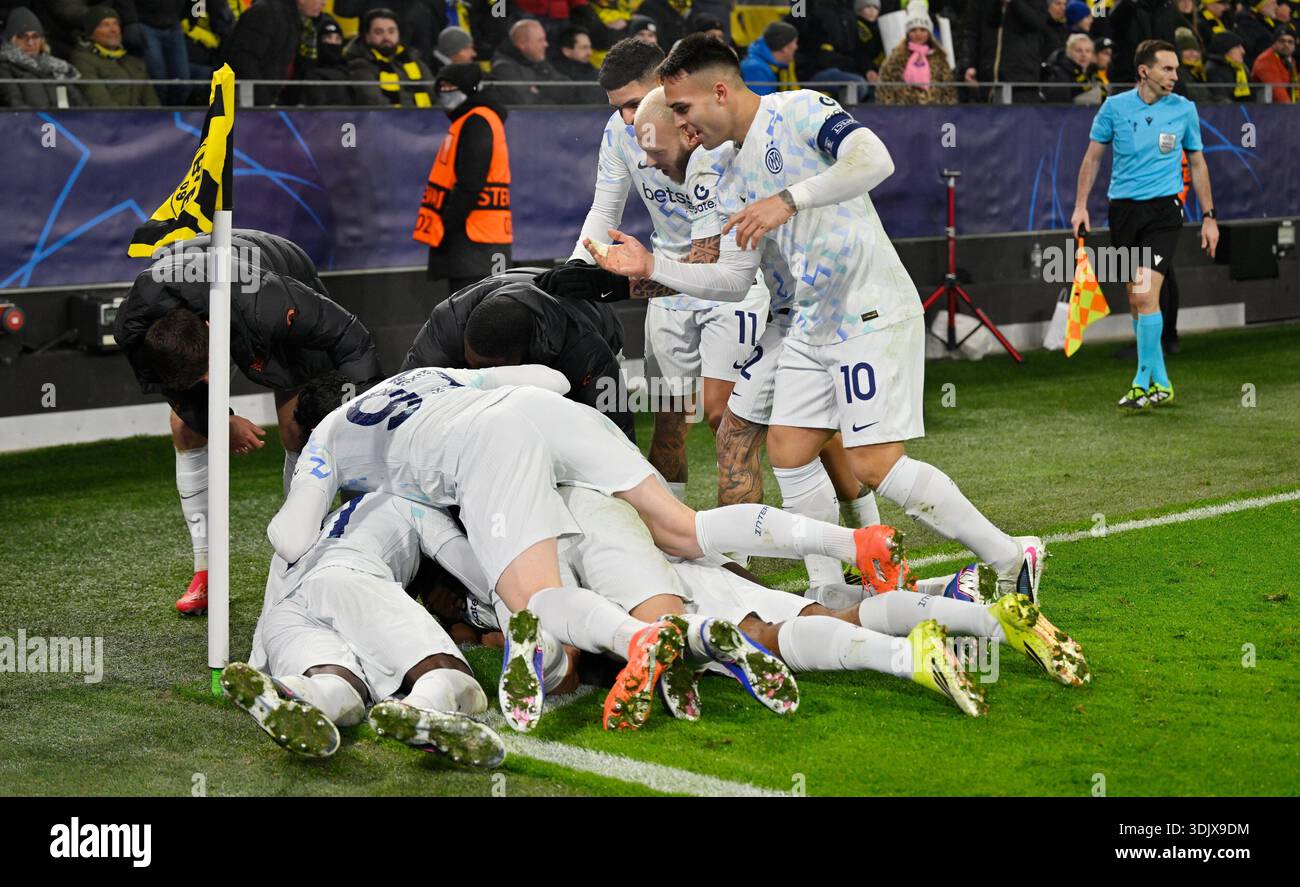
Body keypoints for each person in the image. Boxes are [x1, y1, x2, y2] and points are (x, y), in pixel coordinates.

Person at [587, 35, 1046, 603]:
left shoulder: (799, 109)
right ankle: (830, 590)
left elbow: (875, 159)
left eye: (682, 109)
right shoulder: (722, 173)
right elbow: (731, 280)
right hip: (804, 324)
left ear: (720, 92)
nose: (680, 127)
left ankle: (1010, 553)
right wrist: (651, 265)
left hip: (866, 309)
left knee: (874, 463)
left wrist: (789, 199)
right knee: (788, 449)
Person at [272, 364, 897, 729]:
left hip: (494, 445)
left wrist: (325, 479)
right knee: (685, 528)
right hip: (547, 412)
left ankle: (640, 641)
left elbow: (292, 535)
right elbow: (553, 377)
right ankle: (854, 541)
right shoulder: (420, 377)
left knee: (535, 601)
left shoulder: (327, 437)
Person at [113, 229, 383, 615]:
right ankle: (205, 571)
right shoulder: (136, 328)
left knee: (297, 428)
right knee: (184, 426)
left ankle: (303, 557)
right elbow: (170, 385)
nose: (211, 384)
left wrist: (365, 408)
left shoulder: (270, 305)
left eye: (209, 373)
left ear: (211, 331)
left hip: (281, 268)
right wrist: (218, 420)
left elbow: (351, 336)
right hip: (209, 280)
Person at [566, 38, 768, 503]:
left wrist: (614, 287)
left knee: (726, 419)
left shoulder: (712, 136)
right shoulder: (619, 132)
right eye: (618, 108)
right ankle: (674, 546)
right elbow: (605, 208)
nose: (629, 120)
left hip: (734, 282)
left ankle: (739, 554)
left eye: (636, 104)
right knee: (668, 419)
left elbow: (711, 257)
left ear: (665, 85)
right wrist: (578, 268)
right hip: (665, 288)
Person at [224, 492, 508, 765]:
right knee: (455, 679)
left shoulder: (313, 523)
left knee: (342, 691)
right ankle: (419, 708)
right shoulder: (416, 505)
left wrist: (258, 667)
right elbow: (480, 577)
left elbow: (268, 613)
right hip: (351, 581)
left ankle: (301, 691)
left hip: (286, 613)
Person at [1071, 39, 1219, 411]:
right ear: (1144, 71)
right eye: (1167, 68)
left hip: (1165, 211)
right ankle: (1162, 381)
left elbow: (1198, 164)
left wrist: (1209, 216)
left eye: (1176, 69)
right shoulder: (1114, 108)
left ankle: (1140, 380)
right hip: (1122, 211)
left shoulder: (1184, 109)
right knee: (1137, 303)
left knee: (1143, 294)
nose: (1175, 75)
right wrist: (1079, 207)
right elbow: (1091, 159)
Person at [400, 268, 636, 441]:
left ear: (518, 360)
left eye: (487, 368)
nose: (478, 374)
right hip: (519, 294)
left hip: (597, 321)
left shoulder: (583, 348)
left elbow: (618, 434)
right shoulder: (447, 324)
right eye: (473, 366)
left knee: (579, 440)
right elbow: (405, 400)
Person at [413, 63, 513, 297]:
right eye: (442, 87)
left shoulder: (476, 121)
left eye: (452, 86)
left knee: (468, 318)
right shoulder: (474, 118)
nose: (446, 92)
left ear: (471, 87)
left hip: (473, 239)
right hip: (481, 239)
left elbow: (470, 183)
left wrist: (447, 226)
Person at [223, 0, 327, 106]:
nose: (324, 3)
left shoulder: (298, 20)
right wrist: (264, 102)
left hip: (267, 101)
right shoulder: (266, 13)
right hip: (244, 103)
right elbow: (243, 61)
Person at [344, 6, 436, 107]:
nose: (386, 37)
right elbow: (375, 102)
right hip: (388, 121)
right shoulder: (360, 65)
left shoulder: (413, 58)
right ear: (367, 37)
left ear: (398, 34)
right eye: (379, 32)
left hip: (426, 119)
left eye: (391, 31)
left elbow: (435, 94)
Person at [69, 5, 159, 106]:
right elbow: (101, 103)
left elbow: (153, 104)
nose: (113, 30)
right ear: (91, 33)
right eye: (105, 25)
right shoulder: (82, 60)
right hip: (109, 120)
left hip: (144, 121)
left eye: (115, 24)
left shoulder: (134, 62)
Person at [0, 6, 85, 108]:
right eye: (23, 37)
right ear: (12, 41)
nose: (30, 43)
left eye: (35, 37)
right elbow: (15, 104)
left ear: (42, 40)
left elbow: (81, 105)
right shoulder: (4, 68)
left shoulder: (56, 67)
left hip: (65, 123)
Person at [786, 0, 868, 102]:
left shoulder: (848, 10)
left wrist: (868, 69)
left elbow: (859, 48)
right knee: (856, 85)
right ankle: (838, 116)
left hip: (845, 68)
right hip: (814, 70)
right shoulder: (808, 7)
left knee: (876, 86)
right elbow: (793, 29)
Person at [876, 2, 957, 105]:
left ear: (929, 33)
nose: (918, 34)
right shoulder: (895, 58)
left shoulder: (939, 58)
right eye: (913, 30)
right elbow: (885, 88)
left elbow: (948, 90)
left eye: (923, 30)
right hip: (902, 116)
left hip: (934, 115)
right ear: (908, 33)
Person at [490, 17, 572, 104]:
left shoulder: (538, 60)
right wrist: (549, 92)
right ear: (522, 44)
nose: (546, 44)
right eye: (540, 40)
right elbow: (526, 102)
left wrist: (539, 89)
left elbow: (568, 90)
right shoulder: (504, 67)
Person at [1041, 31, 1106, 103]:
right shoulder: (1060, 74)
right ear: (1068, 52)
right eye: (1079, 50)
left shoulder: (1092, 74)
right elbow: (1058, 109)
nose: (1084, 55)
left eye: (1087, 51)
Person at [739, 19, 798, 95]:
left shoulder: (777, 65)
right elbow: (760, 104)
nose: (796, 47)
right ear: (784, 47)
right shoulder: (755, 68)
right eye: (794, 42)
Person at [551, 24, 605, 102]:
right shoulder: (556, 75)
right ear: (567, 51)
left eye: (590, 47)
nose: (590, 52)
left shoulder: (598, 75)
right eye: (584, 48)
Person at [1251, 24, 1298, 101]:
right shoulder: (1265, 60)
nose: (1286, 45)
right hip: (1266, 109)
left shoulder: (1289, 60)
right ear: (1274, 44)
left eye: (1290, 42)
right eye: (1282, 41)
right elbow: (1278, 92)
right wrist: (1293, 111)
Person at [1204, 29, 1253, 100]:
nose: (1243, 51)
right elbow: (1220, 99)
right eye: (1237, 47)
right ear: (1226, 49)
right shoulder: (1213, 69)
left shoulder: (1241, 67)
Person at [1236, 0, 1281, 66]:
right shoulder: (1247, 23)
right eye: (1273, 3)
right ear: (1262, 4)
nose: (1276, 7)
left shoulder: (1264, 21)